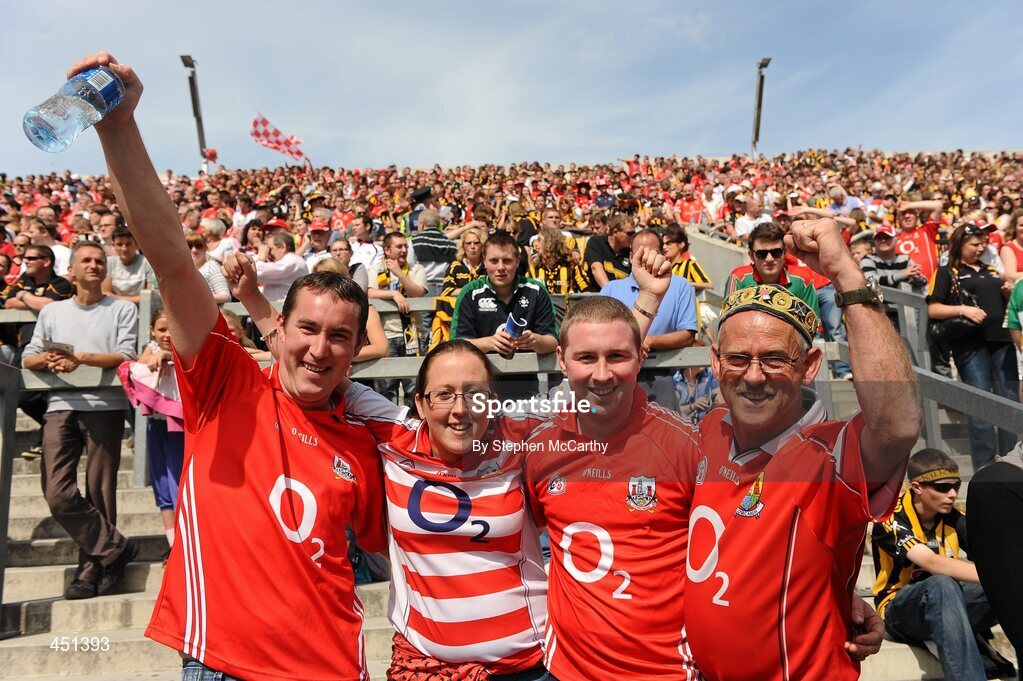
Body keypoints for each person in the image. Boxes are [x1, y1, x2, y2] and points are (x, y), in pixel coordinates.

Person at [80, 51, 385, 680]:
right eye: (305, 329)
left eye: (338, 338)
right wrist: (117, 127)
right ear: (276, 332)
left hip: (332, 667)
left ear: (356, 352)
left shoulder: (365, 440)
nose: (319, 349)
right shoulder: (225, 381)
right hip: (221, 665)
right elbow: (169, 258)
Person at [683, 217, 920, 680]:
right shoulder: (709, 428)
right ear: (715, 361)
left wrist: (846, 276)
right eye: (737, 358)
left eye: (774, 359)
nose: (753, 376)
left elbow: (897, 423)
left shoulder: (830, 452)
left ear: (810, 365)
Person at [22, 241, 139, 600]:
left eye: (100, 261)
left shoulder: (122, 310)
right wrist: (49, 361)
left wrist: (81, 358)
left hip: (105, 405)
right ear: (71, 270)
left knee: (100, 490)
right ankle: (115, 547)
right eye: (86, 260)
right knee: (57, 493)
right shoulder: (53, 312)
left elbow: (126, 354)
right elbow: (29, 355)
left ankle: (91, 572)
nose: (94, 265)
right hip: (60, 403)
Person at [872, 449, 1010, 681]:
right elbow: (930, 562)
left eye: (956, 485)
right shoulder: (890, 517)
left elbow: (994, 557)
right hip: (899, 609)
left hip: (951, 603)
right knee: (942, 584)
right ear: (917, 487)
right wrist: (1001, 576)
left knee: (1013, 586)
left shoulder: (956, 518)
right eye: (943, 487)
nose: (953, 494)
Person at [927, 222, 1019, 471]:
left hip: (1002, 343)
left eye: (983, 243)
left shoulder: (992, 270)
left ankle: (1013, 465)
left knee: (1009, 404)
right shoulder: (948, 271)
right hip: (970, 345)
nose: (981, 248)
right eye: (975, 243)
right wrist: (963, 309)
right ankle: (986, 470)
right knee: (981, 406)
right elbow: (933, 309)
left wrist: (1008, 293)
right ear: (961, 244)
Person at [451, 231, 558, 399]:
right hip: (479, 389)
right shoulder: (470, 292)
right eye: (494, 261)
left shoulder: (535, 291)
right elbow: (457, 345)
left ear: (517, 261)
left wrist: (534, 340)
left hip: (525, 389)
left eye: (507, 261)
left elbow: (553, 341)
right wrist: (490, 343)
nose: (500, 267)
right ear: (484, 261)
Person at [602, 229, 697, 409]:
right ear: (630, 257)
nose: (646, 258)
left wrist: (649, 341)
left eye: (652, 253)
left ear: (663, 255)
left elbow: (687, 335)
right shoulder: (610, 289)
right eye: (639, 253)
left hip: (664, 375)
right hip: (615, 376)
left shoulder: (680, 286)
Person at [121, 307, 183, 551]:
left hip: (179, 423)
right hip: (156, 425)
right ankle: (174, 544)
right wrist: (159, 356)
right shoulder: (152, 348)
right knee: (162, 486)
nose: (167, 334)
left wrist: (169, 355)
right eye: (161, 329)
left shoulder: (187, 345)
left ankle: (186, 542)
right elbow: (141, 363)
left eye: (171, 329)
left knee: (178, 483)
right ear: (151, 331)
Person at [369, 231, 428, 404]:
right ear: (387, 250)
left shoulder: (416, 269)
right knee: (386, 389)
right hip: (386, 335)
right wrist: (394, 294)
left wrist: (400, 275)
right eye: (399, 246)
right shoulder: (376, 270)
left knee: (413, 387)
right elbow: (369, 293)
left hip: (413, 335)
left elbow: (417, 293)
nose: (404, 250)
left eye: (406, 246)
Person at [723, 222, 821, 318]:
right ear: (751, 256)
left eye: (776, 252)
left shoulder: (803, 281)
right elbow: (727, 323)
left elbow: (812, 327)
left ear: (785, 252)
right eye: (761, 254)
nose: (769, 259)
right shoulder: (737, 278)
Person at [582, 212, 634, 291]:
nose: (633, 237)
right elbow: (596, 268)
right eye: (630, 233)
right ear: (616, 232)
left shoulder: (630, 251)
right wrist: (611, 293)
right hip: (597, 297)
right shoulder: (596, 242)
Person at [103, 225, 153, 304]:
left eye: (128, 244)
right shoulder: (109, 263)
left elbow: (151, 296)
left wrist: (116, 298)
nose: (124, 249)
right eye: (119, 244)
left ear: (137, 245)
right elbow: (106, 293)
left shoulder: (148, 263)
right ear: (114, 246)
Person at [254, 230, 308, 302]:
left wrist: (261, 258)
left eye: (270, 249)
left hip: (286, 309)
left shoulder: (293, 261)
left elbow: (257, 273)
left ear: (282, 247)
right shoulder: (289, 261)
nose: (268, 254)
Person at [662, 223, 712, 291]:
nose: (664, 247)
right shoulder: (662, 266)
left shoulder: (690, 264)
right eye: (663, 244)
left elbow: (708, 285)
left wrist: (687, 284)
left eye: (669, 243)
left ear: (681, 244)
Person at [184, 232, 230, 304]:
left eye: (198, 246)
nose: (194, 250)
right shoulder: (185, 270)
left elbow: (225, 296)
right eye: (189, 246)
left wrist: (197, 298)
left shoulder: (211, 266)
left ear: (205, 248)